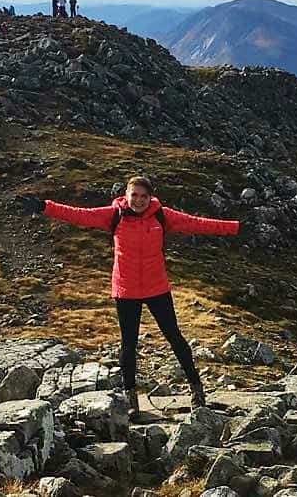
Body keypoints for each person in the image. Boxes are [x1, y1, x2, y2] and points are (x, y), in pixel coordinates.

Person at [19, 176, 240, 413]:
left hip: (157, 288)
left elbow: (197, 223)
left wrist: (235, 227)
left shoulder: (161, 215)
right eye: (134, 195)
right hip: (126, 290)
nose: (139, 200)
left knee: (174, 337)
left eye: (144, 196)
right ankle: (130, 399)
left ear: (150, 197)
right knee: (129, 343)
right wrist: (45, 206)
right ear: (126, 195)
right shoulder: (114, 215)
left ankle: (196, 389)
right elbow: (79, 215)